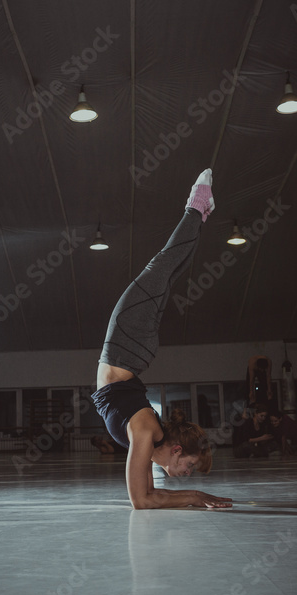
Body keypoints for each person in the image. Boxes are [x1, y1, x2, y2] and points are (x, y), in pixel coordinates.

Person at [92, 169, 232, 510]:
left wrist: (196, 497)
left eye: (190, 473)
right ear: (176, 450)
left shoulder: (147, 439)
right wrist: (196, 497)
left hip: (131, 348)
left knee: (167, 272)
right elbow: (144, 499)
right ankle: (197, 206)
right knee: (162, 268)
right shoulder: (146, 430)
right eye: (188, 466)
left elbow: (144, 498)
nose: (187, 474)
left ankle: (200, 212)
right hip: (128, 344)